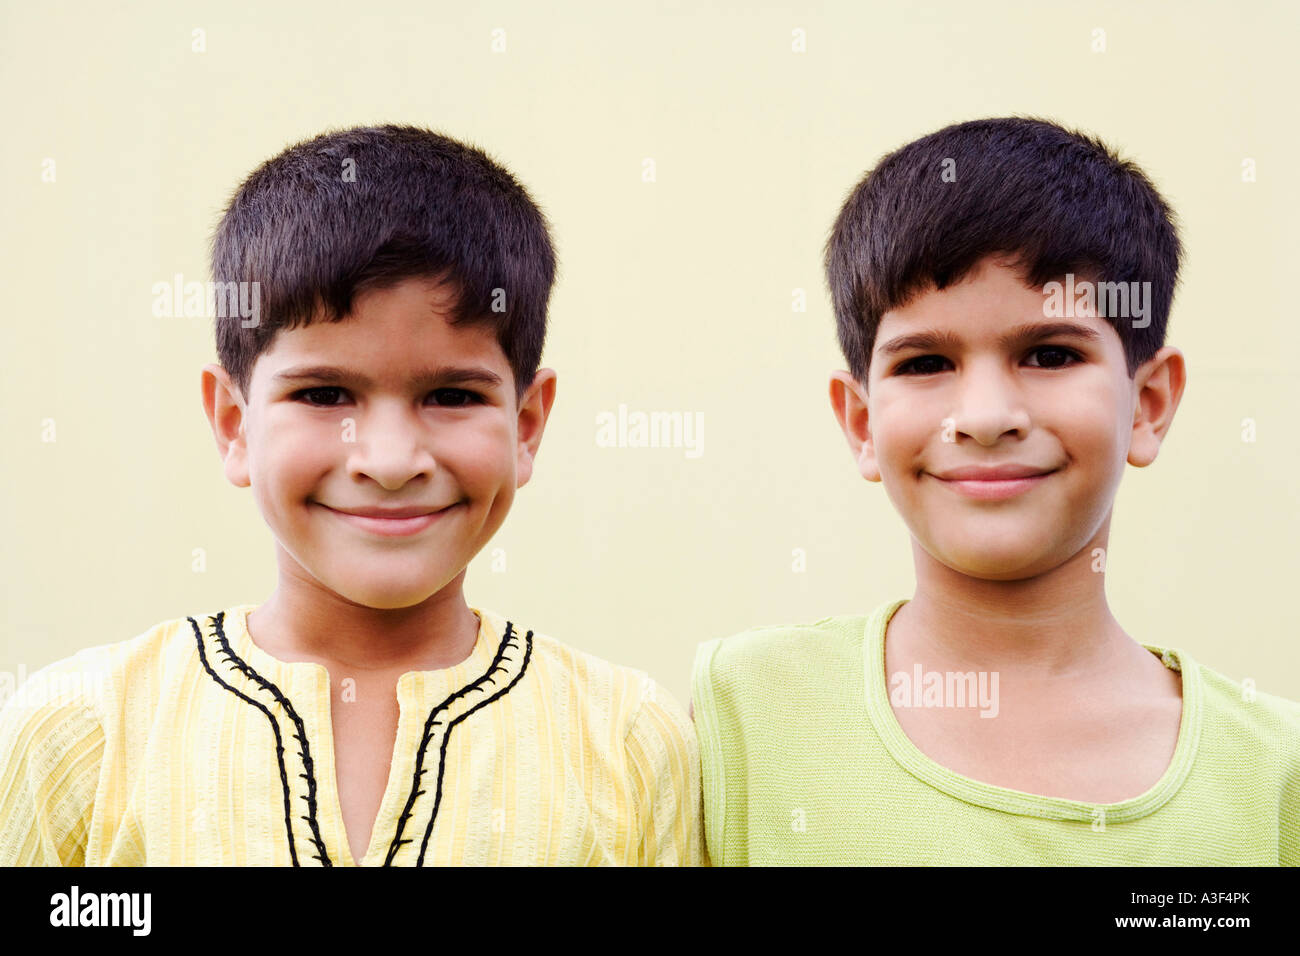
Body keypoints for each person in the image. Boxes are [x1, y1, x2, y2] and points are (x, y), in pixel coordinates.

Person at [0, 124, 702, 866]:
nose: (390, 461)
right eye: (325, 392)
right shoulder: (84, 737)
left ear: (526, 424)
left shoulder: (628, 745)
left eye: (453, 395)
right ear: (234, 422)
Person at [691, 116, 1299, 865]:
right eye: (923, 363)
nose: (983, 417)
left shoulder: (1274, 772)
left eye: (1049, 353)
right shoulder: (746, 710)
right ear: (860, 421)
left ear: (1148, 404)